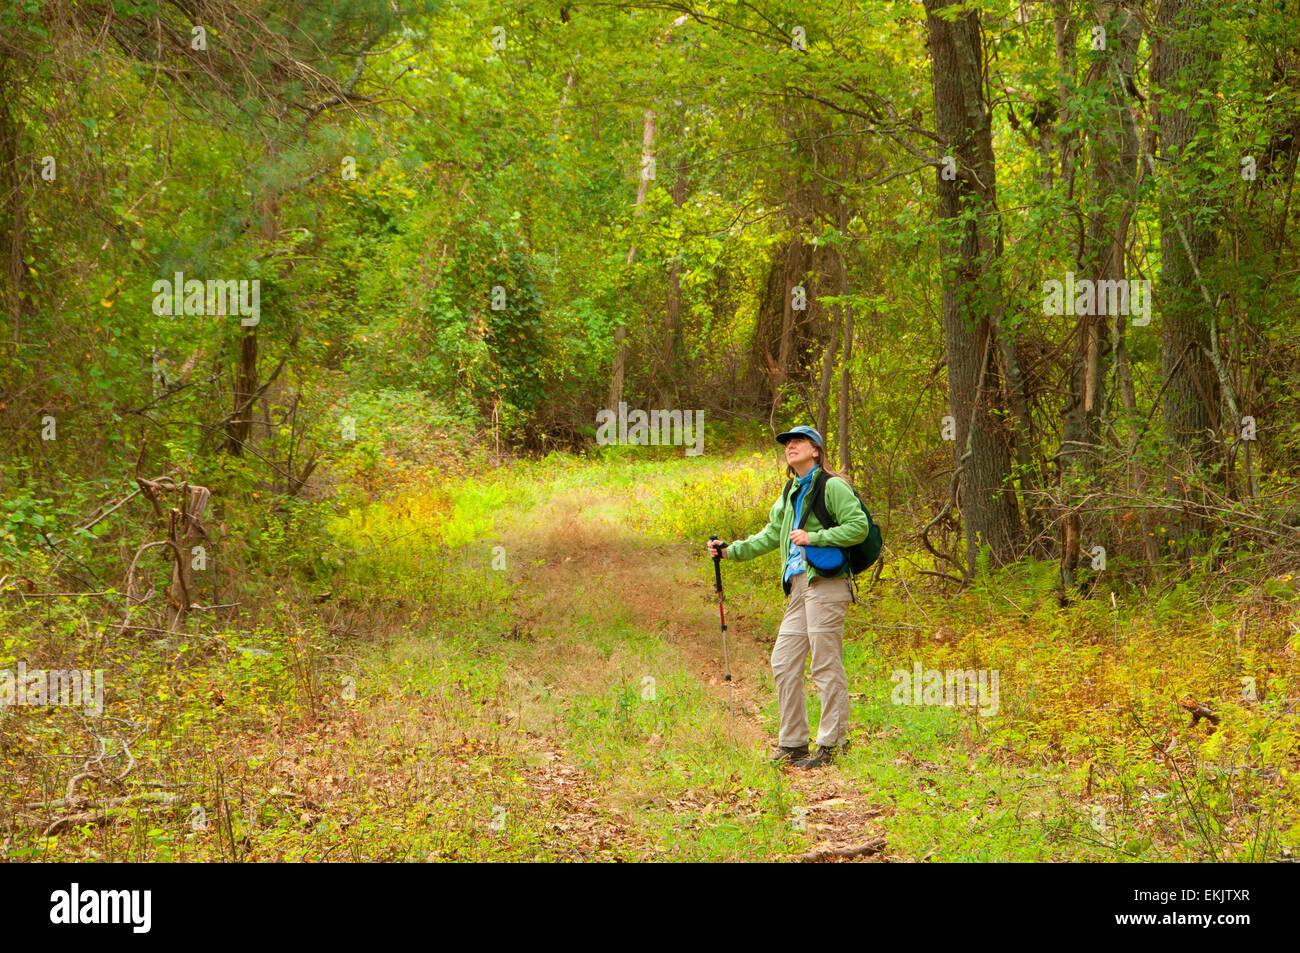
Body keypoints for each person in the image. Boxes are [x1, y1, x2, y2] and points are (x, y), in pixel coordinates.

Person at [707, 426, 869, 768]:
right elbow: (770, 535)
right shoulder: (790, 490)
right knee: (783, 661)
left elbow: (858, 528)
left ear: (816, 450)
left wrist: (815, 537)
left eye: (798, 441)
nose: (790, 446)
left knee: (825, 664)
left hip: (826, 583)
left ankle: (831, 745)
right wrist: (729, 551)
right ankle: (794, 743)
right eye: (787, 443)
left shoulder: (833, 485)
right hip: (798, 586)